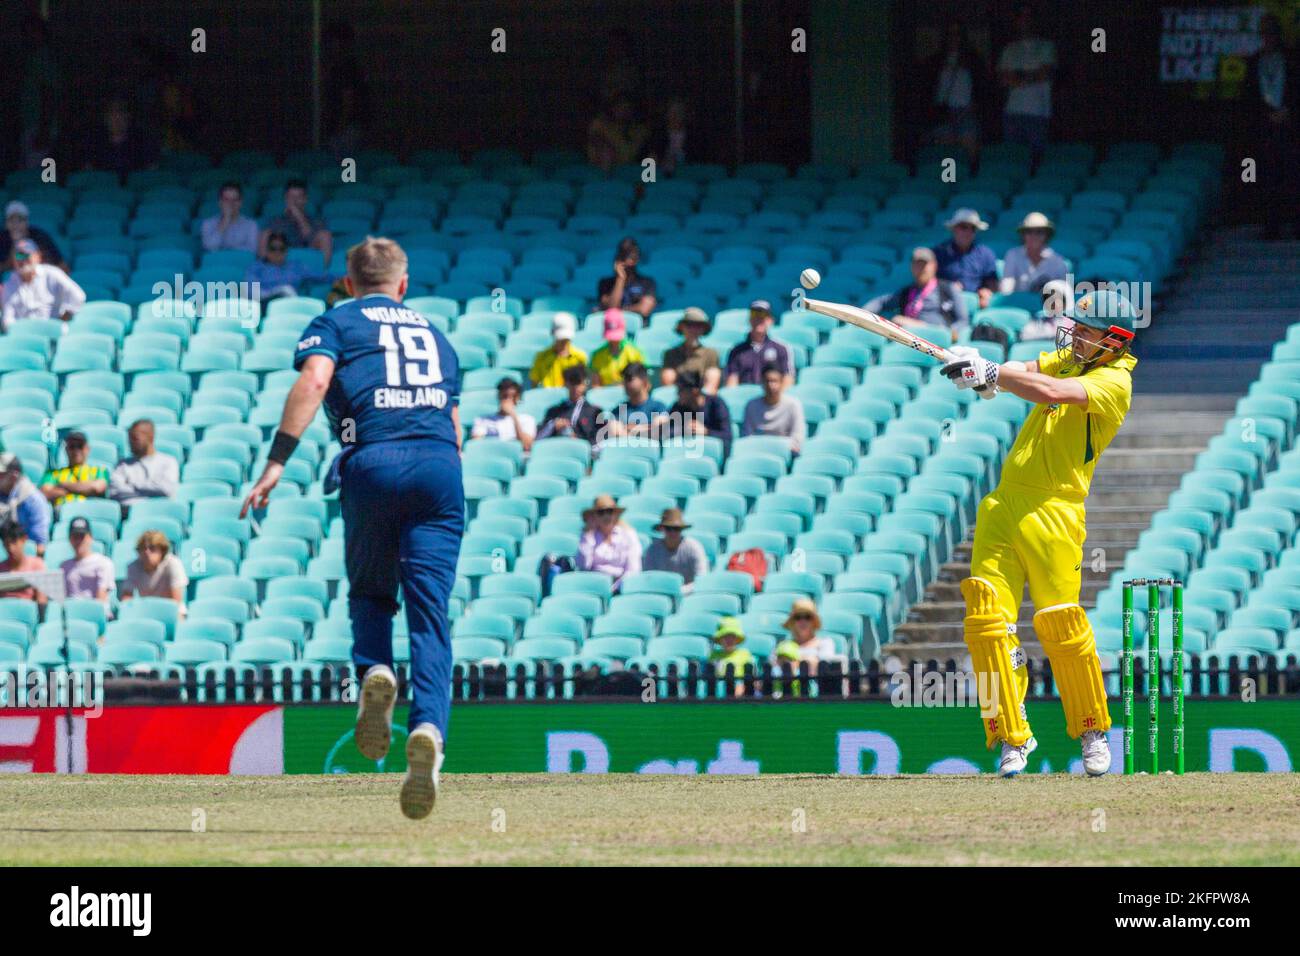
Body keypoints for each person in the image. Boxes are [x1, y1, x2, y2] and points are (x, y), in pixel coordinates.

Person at [242, 236, 463, 820]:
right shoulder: (436, 336)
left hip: (374, 460)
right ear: (404, 283)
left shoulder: (335, 321)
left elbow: (315, 382)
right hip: (440, 468)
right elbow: (455, 425)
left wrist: (276, 463)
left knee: (370, 590)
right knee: (431, 613)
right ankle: (430, 737)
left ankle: (375, 671)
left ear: (347, 279)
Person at [938, 289, 1138, 777]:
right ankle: (1011, 736)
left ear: (1114, 341)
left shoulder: (1114, 381)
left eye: (1087, 333)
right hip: (1004, 502)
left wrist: (991, 375)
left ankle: (1093, 730)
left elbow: (1049, 392)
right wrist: (986, 370)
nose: (1076, 338)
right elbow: (1030, 370)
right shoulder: (1070, 359)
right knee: (985, 619)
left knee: (1060, 625)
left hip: (1056, 510)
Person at [1247, 14, 1299, 239]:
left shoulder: (1294, 60)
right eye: (1264, 33)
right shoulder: (1253, 61)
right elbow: (1248, 98)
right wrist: (1266, 115)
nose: (1268, 37)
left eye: (1272, 32)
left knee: (1294, 176)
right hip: (1265, 130)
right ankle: (1271, 226)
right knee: (1267, 178)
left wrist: (1289, 111)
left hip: (1292, 128)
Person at [922, 21, 989, 162]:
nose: (954, 37)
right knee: (945, 153)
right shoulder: (935, 61)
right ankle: (948, 180)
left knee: (969, 146)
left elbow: (983, 87)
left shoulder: (973, 60)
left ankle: (969, 180)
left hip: (966, 111)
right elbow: (926, 88)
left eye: (957, 34)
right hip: (943, 112)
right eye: (950, 34)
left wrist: (977, 105)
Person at [997, 4, 1056, 163]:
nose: (1025, 21)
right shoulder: (1009, 49)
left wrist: (1018, 76)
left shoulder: (1046, 46)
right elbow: (1003, 79)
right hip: (1012, 112)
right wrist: (1030, 75)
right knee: (1013, 160)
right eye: (1021, 17)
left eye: (1028, 16)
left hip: (1037, 112)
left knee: (1037, 160)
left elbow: (1044, 74)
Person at [865, 247, 968, 331]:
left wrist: (947, 333)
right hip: (908, 339)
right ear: (912, 267)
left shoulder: (948, 289)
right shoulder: (907, 292)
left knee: (898, 320)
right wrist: (863, 314)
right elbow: (881, 302)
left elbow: (963, 321)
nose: (921, 269)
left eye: (924, 264)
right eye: (917, 264)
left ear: (934, 266)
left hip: (936, 340)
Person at [1, 240, 85, 329]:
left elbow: (78, 295)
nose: (22, 260)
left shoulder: (52, 273)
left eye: (26, 255)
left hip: (52, 330)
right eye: (18, 256)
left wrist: (65, 316)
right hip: (25, 333)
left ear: (38, 256)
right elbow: (7, 319)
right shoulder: (9, 284)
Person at [933, 209, 999, 310]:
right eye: (963, 227)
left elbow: (992, 283)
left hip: (977, 305)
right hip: (945, 303)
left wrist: (987, 292)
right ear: (954, 229)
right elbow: (929, 281)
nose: (968, 232)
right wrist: (948, 287)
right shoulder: (939, 253)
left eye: (973, 228)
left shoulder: (986, 254)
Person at [576, 494, 641, 592]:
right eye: (601, 513)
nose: (606, 516)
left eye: (609, 512)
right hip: (593, 585)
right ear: (595, 516)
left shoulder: (628, 535)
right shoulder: (588, 537)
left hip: (620, 587)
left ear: (615, 515)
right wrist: (588, 534)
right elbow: (583, 565)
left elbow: (633, 570)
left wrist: (616, 587)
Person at [108, 419, 179, 509]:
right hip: (128, 513)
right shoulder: (123, 464)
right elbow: (115, 491)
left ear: (150, 437)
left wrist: (132, 484)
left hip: (159, 510)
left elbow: (166, 489)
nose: (130, 443)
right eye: (129, 439)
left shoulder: (168, 462)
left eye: (135, 439)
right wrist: (151, 490)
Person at [260, 179, 333, 265]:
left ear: (305, 199)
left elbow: (310, 239)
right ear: (286, 199)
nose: (294, 201)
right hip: (281, 261)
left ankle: (323, 271)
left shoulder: (316, 221)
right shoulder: (276, 221)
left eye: (298, 197)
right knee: (266, 234)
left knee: (325, 235)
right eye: (291, 197)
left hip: (309, 262)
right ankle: (265, 269)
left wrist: (299, 218)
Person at [246, 231, 334, 302]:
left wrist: (345, 276)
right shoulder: (256, 268)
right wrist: (278, 292)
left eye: (281, 249)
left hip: (290, 304)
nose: (277, 253)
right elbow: (252, 291)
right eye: (273, 248)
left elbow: (323, 277)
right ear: (267, 250)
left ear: (286, 251)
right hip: (265, 304)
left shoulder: (296, 267)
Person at [82, 96, 157, 179]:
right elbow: (89, 174)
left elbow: (151, 173)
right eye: (111, 113)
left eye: (121, 112)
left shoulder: (142, 143)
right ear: (105, 118)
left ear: (128, 116)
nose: (116, 118)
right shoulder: (94, 144)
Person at [723, 301, 793, 388]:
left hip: (771, 399)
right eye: (755, 315)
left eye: (763, 316)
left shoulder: (781, 349)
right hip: (745, 398)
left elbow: (787, 379)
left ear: (771, 321)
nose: (759, 319)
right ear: (749, 320)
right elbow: (732, 383)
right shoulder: (736, 351)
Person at [742, 364, 807, 454]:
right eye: (767, 381)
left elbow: (798, 437)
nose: (771, 385)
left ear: (781, 383)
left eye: (774, 381)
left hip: (785, 452)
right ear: (762, 383)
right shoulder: (751, 406)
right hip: (758, 452)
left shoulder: (793, 405)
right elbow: (747, 436)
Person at [666, 370, 732, 456]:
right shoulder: (678, 407)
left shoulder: (716, 404)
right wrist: (683, 430)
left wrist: (706, 432)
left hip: (710, 455)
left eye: (680, 390)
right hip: (685, 454)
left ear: (694, 391)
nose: (677, 394)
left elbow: (727, 436)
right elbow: (666, 433)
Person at [120, 529, 188, 614]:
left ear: (162, 550)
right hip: (146, 612)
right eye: (143, 548)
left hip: (171, 611)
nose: (147, 552)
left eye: (152, 548)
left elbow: (176, 602)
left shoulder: (174, 564)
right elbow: (126, 599)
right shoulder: (132, 567)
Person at [642, 508, 708, 594]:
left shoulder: (694, 548)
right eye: (669, 528)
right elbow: (648, 578)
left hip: (689, 596)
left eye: (677, 529)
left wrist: (679, 591)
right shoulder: (652, 550)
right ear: (662, 528)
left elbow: (701, 580)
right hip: (659, 595)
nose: (673, 532)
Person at [537, 364, 606, 444]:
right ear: (566, 384)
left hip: (584, 452)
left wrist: (577, 439)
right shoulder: (554, 411)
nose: (575, 387)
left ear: (585, 385)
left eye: (579, 383)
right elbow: (538, 439)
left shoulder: (595, 412)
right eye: (572, 382)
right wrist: (553, 425)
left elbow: (600, 440)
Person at [1000, 212, 1068, 294]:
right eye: (1029, 231)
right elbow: (1006, 290)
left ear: (1047, 235)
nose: (1034, 236)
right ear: (1023, 235)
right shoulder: (1012, 255)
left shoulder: (1057, 261)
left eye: (1039, 232)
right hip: (1018, 304)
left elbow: (1064, 292)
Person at [40, 432, 109, 509]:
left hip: (90, 511)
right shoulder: (53, 473)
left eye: (80, 446)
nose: (76, 450)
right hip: (61, 511)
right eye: (72, 447)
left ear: (87, 449)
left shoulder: (99, 471)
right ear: (66, 449)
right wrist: (86, 489)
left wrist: (63, 485)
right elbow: (45, 494)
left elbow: (97, 488)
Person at [660, 306, 721, 392]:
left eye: (698, 326)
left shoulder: (711, 354)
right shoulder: (670, 354)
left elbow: (711, 386)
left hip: (701, 400)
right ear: (681, 327)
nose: (693, 330)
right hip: (679, 399)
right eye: (689, 325)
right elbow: (668, 386)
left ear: (703, 329)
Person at [0, 453, 50, 555]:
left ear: (14, 475)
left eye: (1, 474)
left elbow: (40, 545)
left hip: (25, 559)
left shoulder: (33, 499)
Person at [60, 516, 115, 609]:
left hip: (95, 614)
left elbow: (101, 597)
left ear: (90, 538)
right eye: (75, 537)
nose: (78, 541)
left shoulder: (103, 563)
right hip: (71, 614)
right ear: (70, 539)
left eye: (82, 537)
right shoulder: (64, 566)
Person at [772, 598, 839, 672]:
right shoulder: (782, 646)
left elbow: (824, 667)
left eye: (807, 617)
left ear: (814, 621)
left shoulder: (825, 643)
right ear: (792, 622)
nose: (803, 621)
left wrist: (793, 662)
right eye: (798, 617)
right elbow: (772, 669)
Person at [597, 237, 657, 318]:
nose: (631, 260)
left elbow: (644, 309)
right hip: (614, 327)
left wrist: (620, 310)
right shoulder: (605, 283)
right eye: (625, 254)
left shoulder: (648, 282)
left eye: (634, 255)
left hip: (640, 328)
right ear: (618, 257)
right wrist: (620, 279)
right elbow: (612, 308)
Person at [470, 377, 535, 452]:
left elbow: (526, 446)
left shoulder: (527, 419)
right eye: (505, 396)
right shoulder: (482, 420)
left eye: (513, 397)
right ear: (499, 396)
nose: (508, 400)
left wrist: (514, 416)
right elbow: (476, 445)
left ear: (518, 398)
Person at [586, 95, 648, 173]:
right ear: (613, 108)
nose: (624, 111)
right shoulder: (600, 125)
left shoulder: (639, 130)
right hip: (601, 169)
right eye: (620, 107)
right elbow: (596, 142)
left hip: (629, 170)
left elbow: (631, 156)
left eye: (628, 108)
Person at [606, 362, 668, 439]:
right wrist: (646, 428)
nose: (625, 383)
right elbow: (616, 432)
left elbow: (657, 430)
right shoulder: (619, 409)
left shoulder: (658, 407)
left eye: (629, 379)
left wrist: (629, 429)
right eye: (624, 379)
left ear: (644, 382)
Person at [529, 312, 588, 388]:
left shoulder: (580, 357)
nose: (563, 342)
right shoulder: (541, 357)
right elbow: (534, 385)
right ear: (552, 333)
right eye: (560, 338)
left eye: (566, 339)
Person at [589, 310, 646, 386]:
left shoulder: (635, 353)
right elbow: (596, 385)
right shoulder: (597, 356)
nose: (614, 340)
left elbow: (640, 381)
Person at [0, 201, 64, 267]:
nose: (16, 225)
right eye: (11, 220)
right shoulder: (2, 238)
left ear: (27, 222)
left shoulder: (40, 237)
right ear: (6, 224)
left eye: (20, 220)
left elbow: (61, 264)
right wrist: (16, 245)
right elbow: (14, 263)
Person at [201, 182, 260, 253]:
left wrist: (225, 251)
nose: (231, 204)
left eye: (235, 200)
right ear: (220, 202)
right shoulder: (208, 223)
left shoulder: (251, 225)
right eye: (226, 200)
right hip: (217, 263)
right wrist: (225, 221)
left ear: (240, 203)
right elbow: (209, 247)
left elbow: (252, 251)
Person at [0, 519, 46, 605]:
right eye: (6, 544)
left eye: (14, 542)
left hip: (28, 617)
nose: (10, 548)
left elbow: (42, 602)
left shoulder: (37, 565)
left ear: (24, 539)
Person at [710, 616, 755, 697]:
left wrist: (741, 688)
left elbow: (752, 679)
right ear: (720, 638)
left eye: (732, 637)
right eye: (725, 637)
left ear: (737, 638)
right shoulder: (714, 655)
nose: (729, 640)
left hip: (741, 695)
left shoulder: (745, 654)